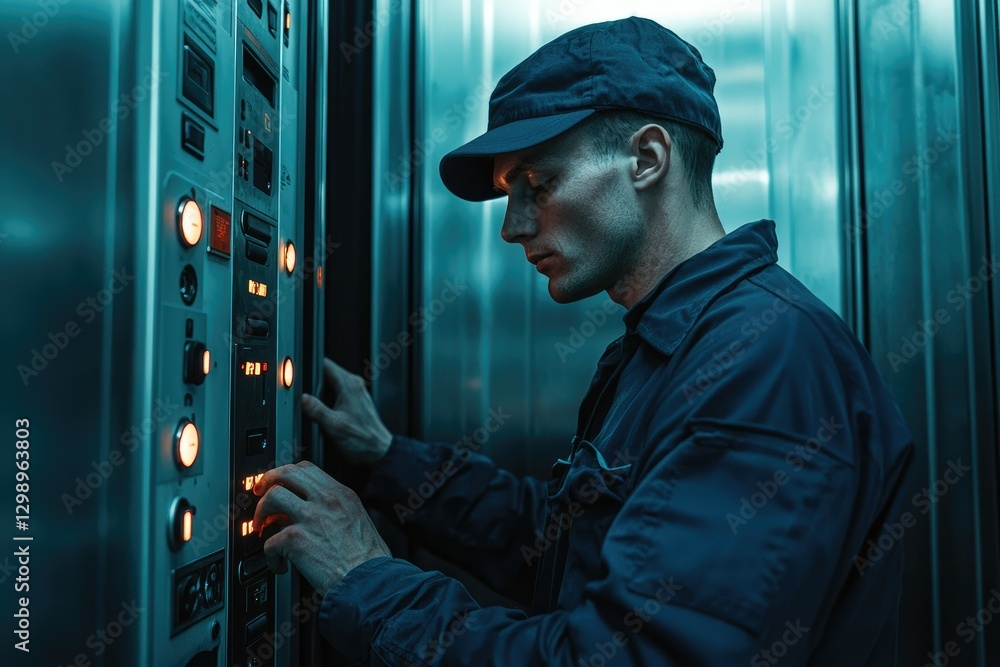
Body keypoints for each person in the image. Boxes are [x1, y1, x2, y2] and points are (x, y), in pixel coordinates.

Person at [252, 17, 914, 665]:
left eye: (537, 185)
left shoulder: (766, 361)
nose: (512, 228)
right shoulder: (673, 345)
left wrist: (370, 579)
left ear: (647, 159)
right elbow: (571, 547)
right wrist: (389, 458)